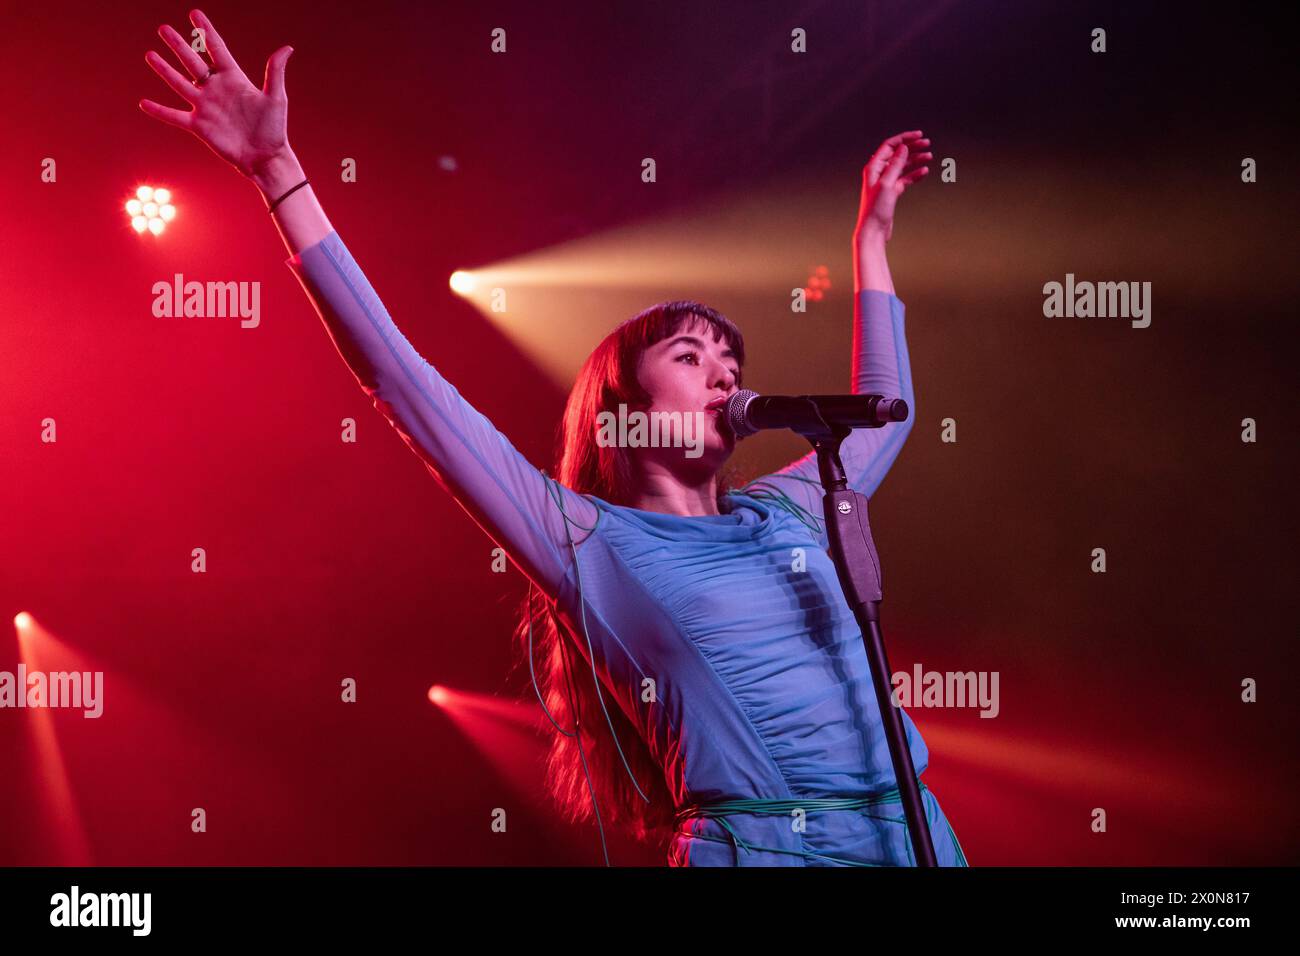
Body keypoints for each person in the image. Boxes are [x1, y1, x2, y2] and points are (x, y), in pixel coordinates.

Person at [141, 9, 968, 867]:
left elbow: (886, 407)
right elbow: (402, 381)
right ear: (625, 405)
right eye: (691, 356)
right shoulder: (585, 542)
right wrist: (280, 172)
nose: (725, 373)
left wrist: (870, 238)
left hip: (912, 836)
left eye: (732, 358)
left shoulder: (792, 508)